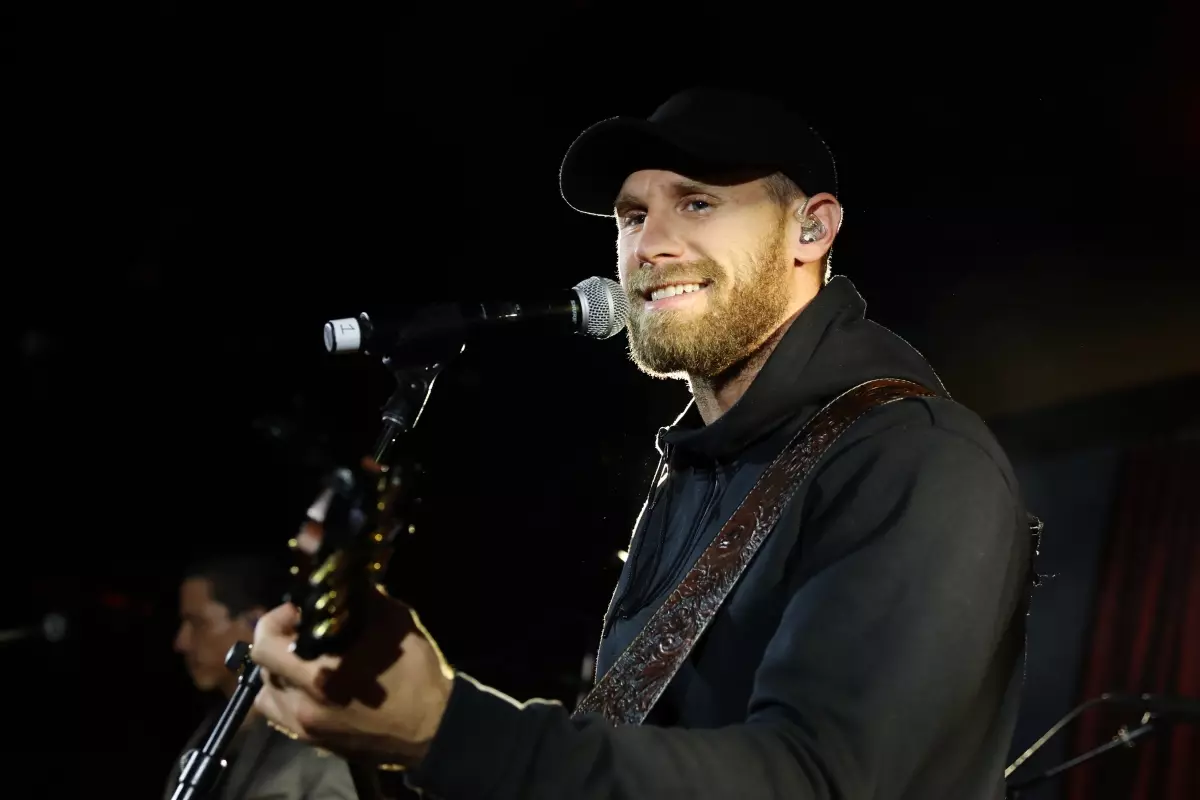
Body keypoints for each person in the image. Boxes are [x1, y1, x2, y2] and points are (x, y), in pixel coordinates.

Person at [249, 86, 1035, 799]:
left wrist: (450, 731)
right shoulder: (693, 470)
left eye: (696, 204)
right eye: (631, 216)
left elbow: (818, 781)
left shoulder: (916, 459)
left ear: (812, 228)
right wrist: (385, 726)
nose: (648, 246)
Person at [166, 553, 356, 799]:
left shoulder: (315, 738)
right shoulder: (206, 734)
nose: (181, 642)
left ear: (254, 622)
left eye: (198, 623)